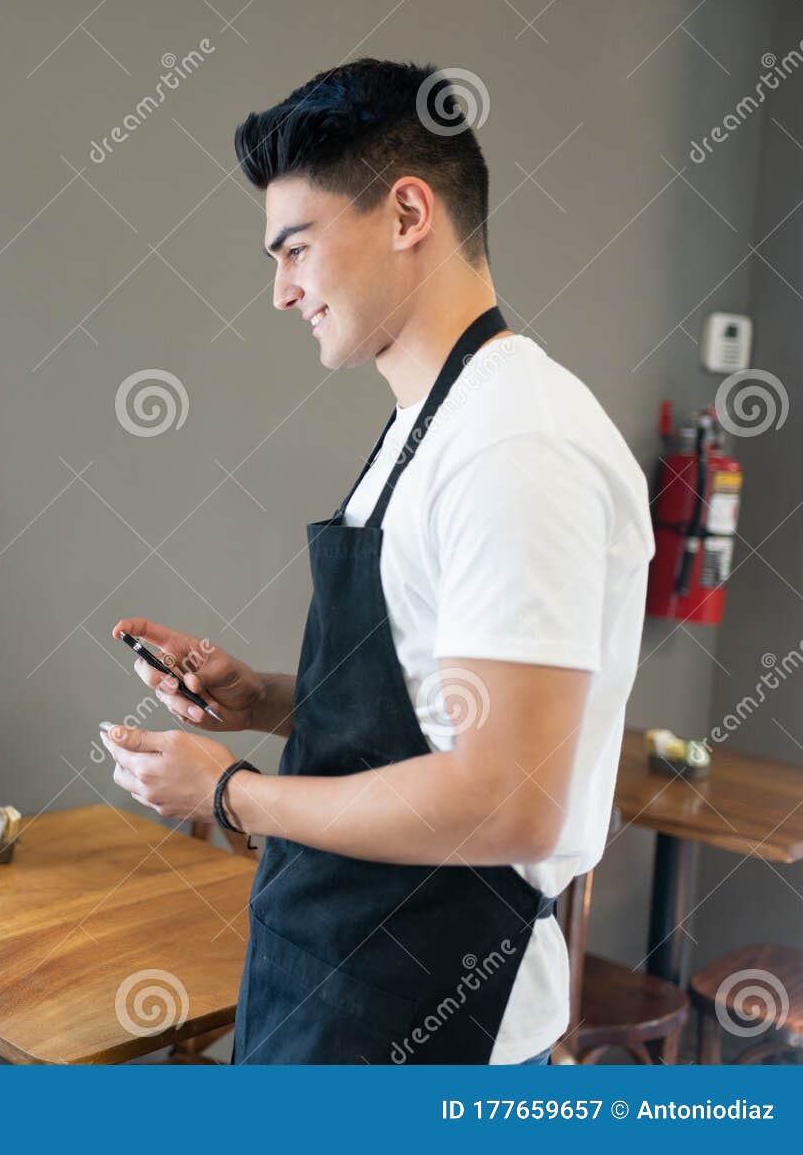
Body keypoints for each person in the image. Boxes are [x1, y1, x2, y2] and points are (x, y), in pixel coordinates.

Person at [100, 58, 652, 1065]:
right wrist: (268, 698)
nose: (280, 292)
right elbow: (431, 710)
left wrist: (228, 795)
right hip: (334, 976)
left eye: (296, 248)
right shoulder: (426, 425)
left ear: (406, 214)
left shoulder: (513, 442)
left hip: (435, 1008)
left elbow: (505, 796)